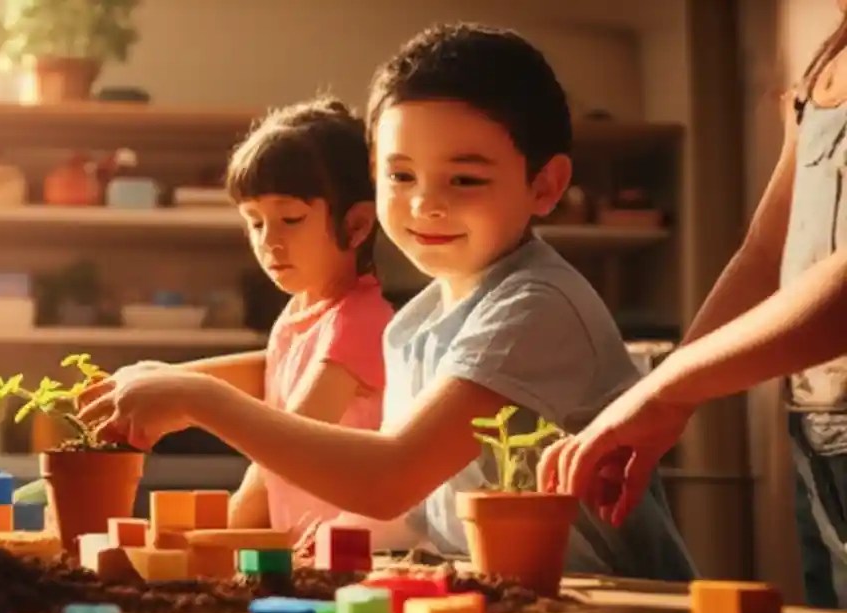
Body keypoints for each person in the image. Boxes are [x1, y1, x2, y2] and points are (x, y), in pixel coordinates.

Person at [79, 23, 696, 581]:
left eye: (465, 178)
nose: (425, 203)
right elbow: (409, 496)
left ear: (546, 185)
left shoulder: (534, 307)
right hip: (509, 599)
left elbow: (389, 476)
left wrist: (196, 397)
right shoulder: (418, 322)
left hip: (615, 605)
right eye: (400, 177)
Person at [539, 5, 847, 607]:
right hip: (815, 426)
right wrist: (670, 404)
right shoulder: (823, 71)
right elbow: (764, 252)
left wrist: (670, 388)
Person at [165, 97, 394, 539]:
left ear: (358, 225)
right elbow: (273, 372)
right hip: (298, 548)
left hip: (346, 553)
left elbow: (285, 446)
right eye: (255, 222)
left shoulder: (359, 320)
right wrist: (161, 382)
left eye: (290, 219)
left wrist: (213, 536)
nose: (270, 241)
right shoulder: (299, 312)